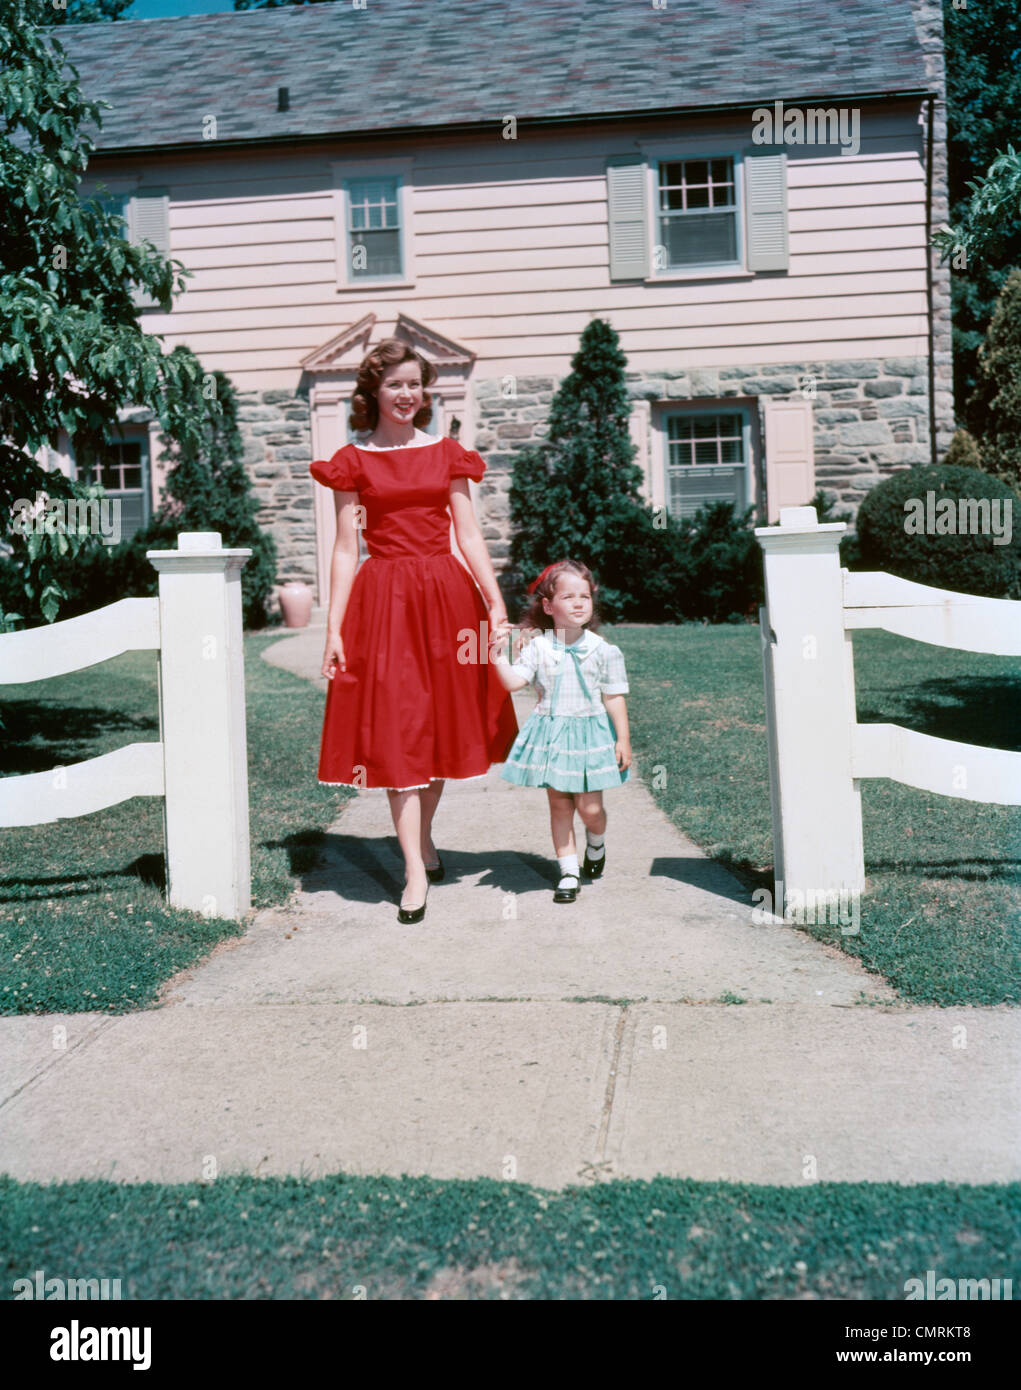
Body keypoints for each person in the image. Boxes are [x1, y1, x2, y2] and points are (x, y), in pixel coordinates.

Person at [309, 338, 518, 924]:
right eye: (395, 384)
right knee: (398, 729)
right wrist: (334, 627)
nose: (407, 395)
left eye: (415, 384)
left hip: (446, 599)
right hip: (383, 603)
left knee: (439, 730)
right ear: (373, 392)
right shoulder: (351, 461)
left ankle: (423, 837)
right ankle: (414, 869)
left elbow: (469, 534)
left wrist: (494, 600)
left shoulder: (447, 453)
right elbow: (347, 549)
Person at [488, 559, 632, 904]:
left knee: (590, 810)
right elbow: (513, 683)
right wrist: (496, 657)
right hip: (551, 736)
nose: (579, 602)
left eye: (585, 595)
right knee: (560, 806)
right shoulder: (539, 647)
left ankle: (595, 843)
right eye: (569, 596)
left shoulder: (603, 649)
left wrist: (623, 739)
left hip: (591, 736)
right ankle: (568, 872)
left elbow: (613, 697)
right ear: (549, 607)